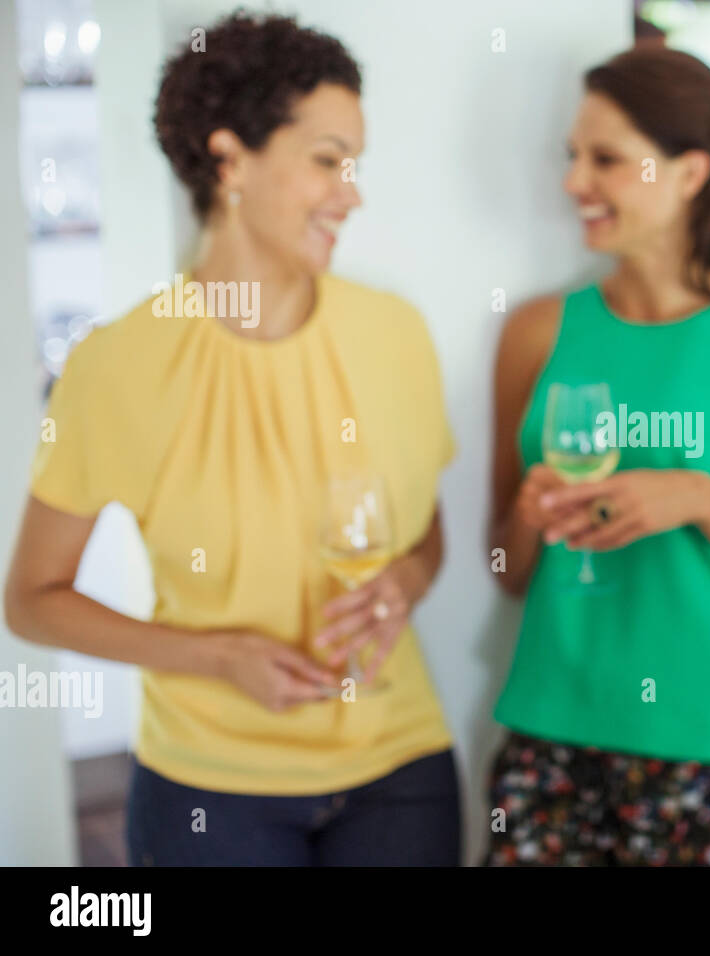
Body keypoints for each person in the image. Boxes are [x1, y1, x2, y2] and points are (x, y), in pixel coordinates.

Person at [3, 12, 461, 865]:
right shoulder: (115, 367)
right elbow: (30, 597)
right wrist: (217, 657)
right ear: (229, 159)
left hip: (401, 766)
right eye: (328, 160)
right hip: (210, 787)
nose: (352, 192)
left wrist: (404, 578)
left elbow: (424, 533)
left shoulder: (395, 331)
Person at [485, 46, 710, 866]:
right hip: (552, 727)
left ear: (689, 173)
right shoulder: (536, 332)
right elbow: (503, 568)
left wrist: (701, 498)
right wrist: (530, 517)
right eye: (573, 156)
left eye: (606, 158)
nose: (575, 181)